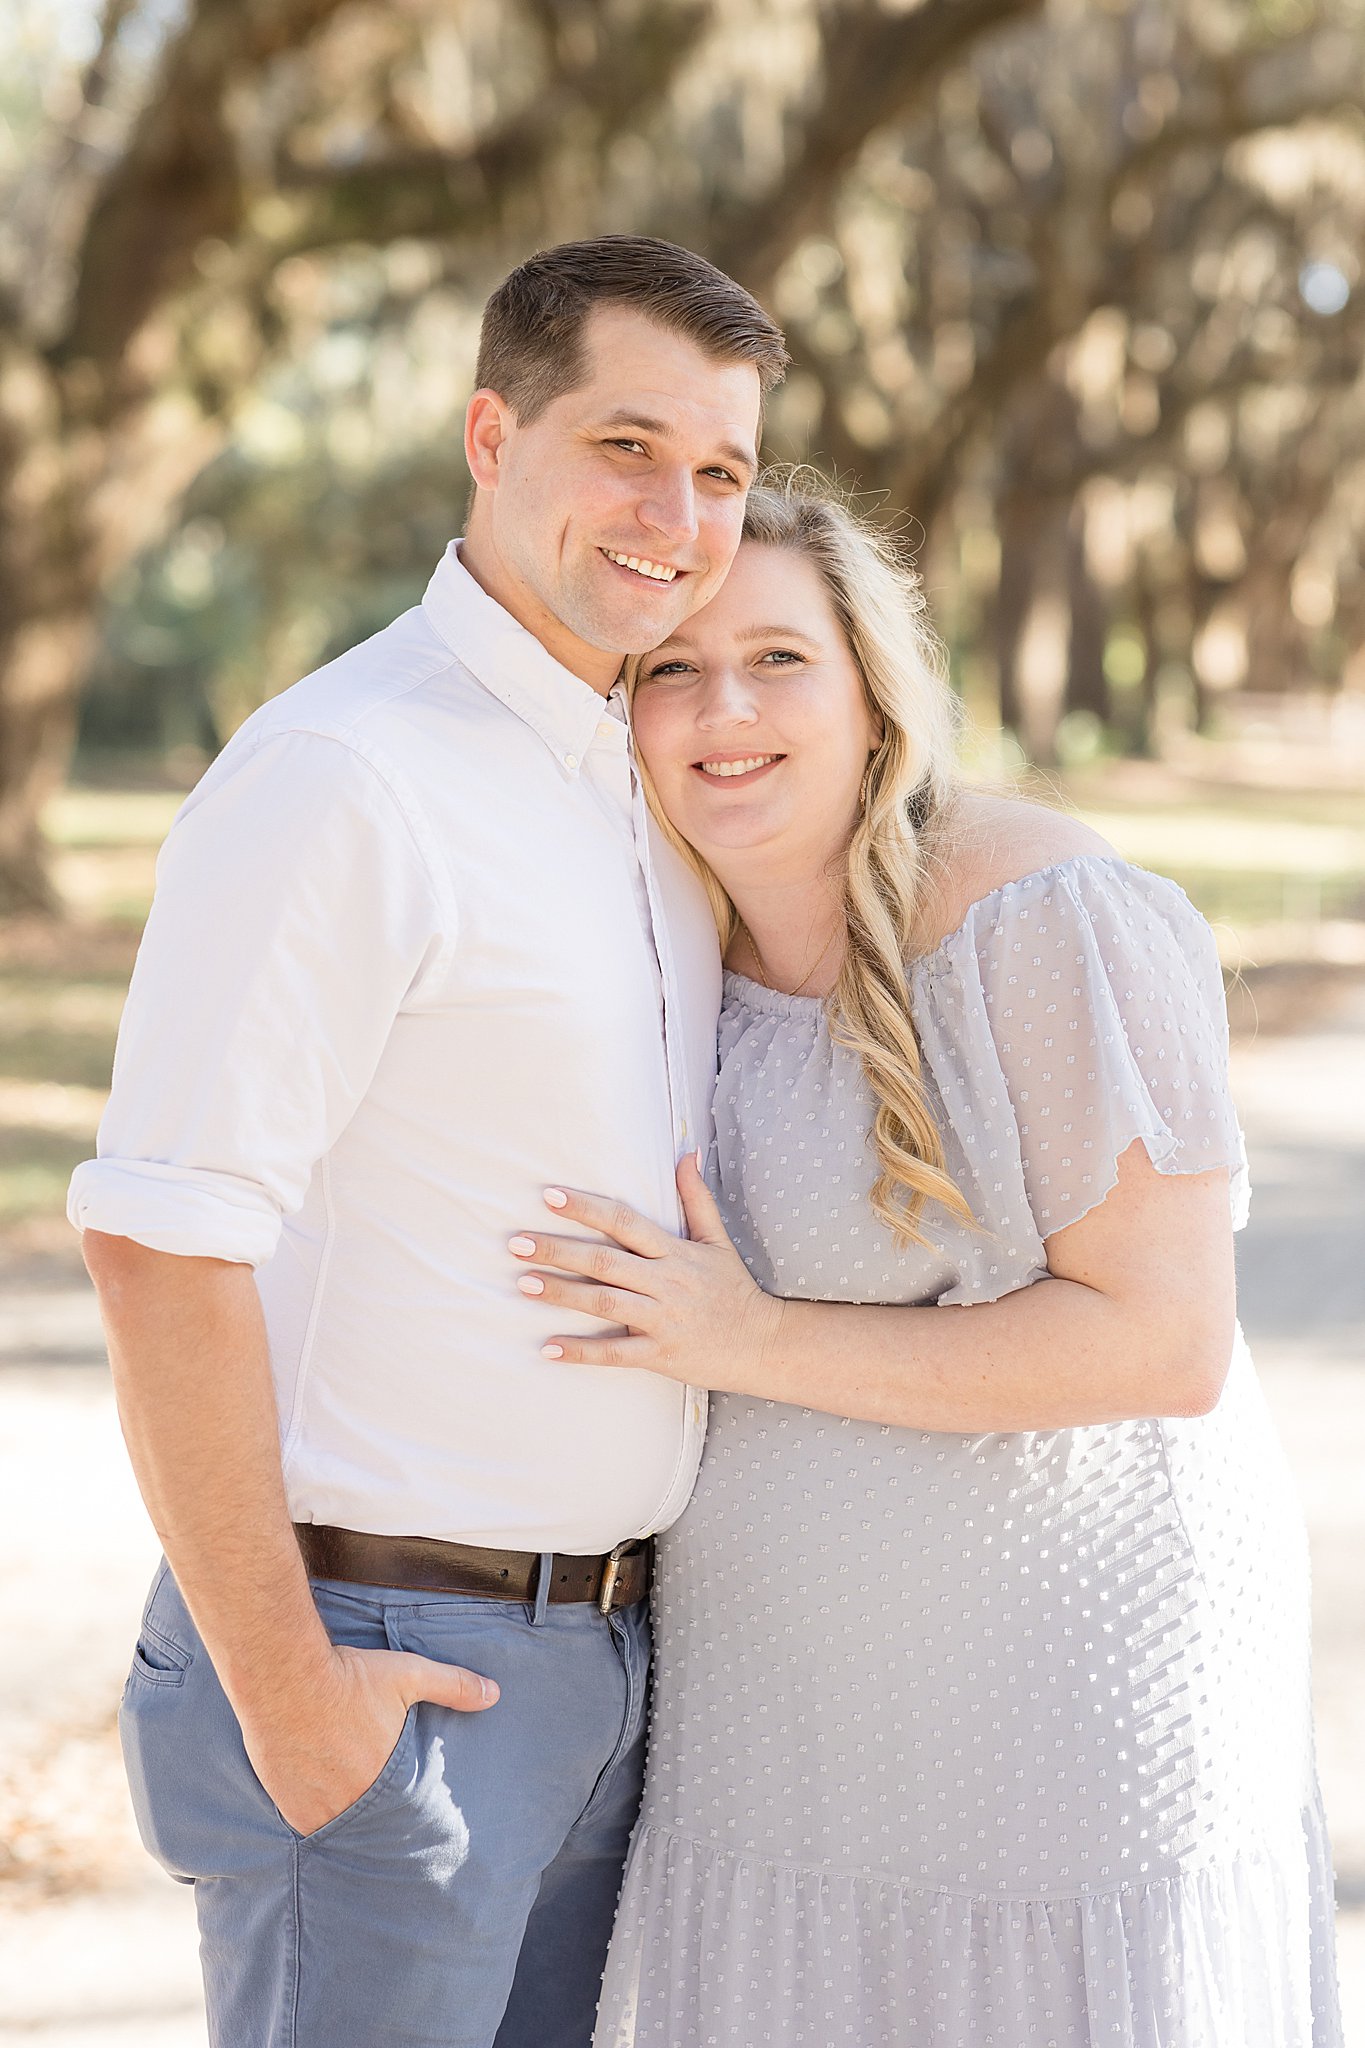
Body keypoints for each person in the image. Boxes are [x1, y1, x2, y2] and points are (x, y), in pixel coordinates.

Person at [503, 477, 1344, 2047]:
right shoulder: (652, 946)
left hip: (1066, 1698)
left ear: (872, 691)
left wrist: (748, 1338)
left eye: (777, 659)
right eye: (672, 669)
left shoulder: (1034, 909)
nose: (722, 709)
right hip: (774, 1720)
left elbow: (1160, 1340)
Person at [67, 237, 787, 2048]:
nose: (676, 516)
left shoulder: (636, 784)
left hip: (604, 1674)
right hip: (379, 1659)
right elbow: (157, 1243)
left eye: (719, 471)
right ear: (489, 436)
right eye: (626, 447)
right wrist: (292, 1698)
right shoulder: (347, 774)